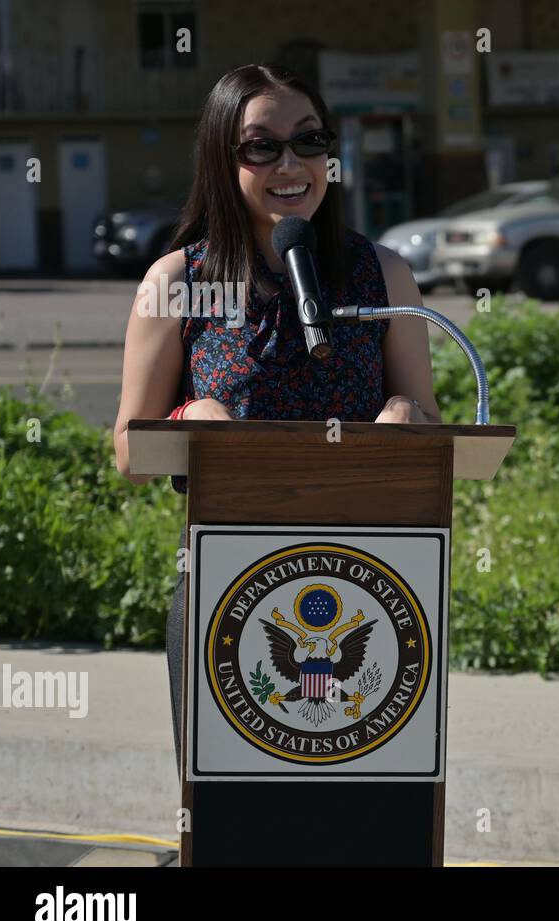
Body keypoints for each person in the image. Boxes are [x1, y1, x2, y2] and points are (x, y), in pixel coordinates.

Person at [111, 63, 441, 773]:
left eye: (309, 141)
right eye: (262, 146)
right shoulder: (180, 282)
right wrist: (189, 413)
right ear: (222, 159)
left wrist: (406, 414)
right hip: (228, 595)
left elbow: (432, 427)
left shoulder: (382, 274)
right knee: (234, 822)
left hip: (370, 589)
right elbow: (129, 455)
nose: (290, 164)